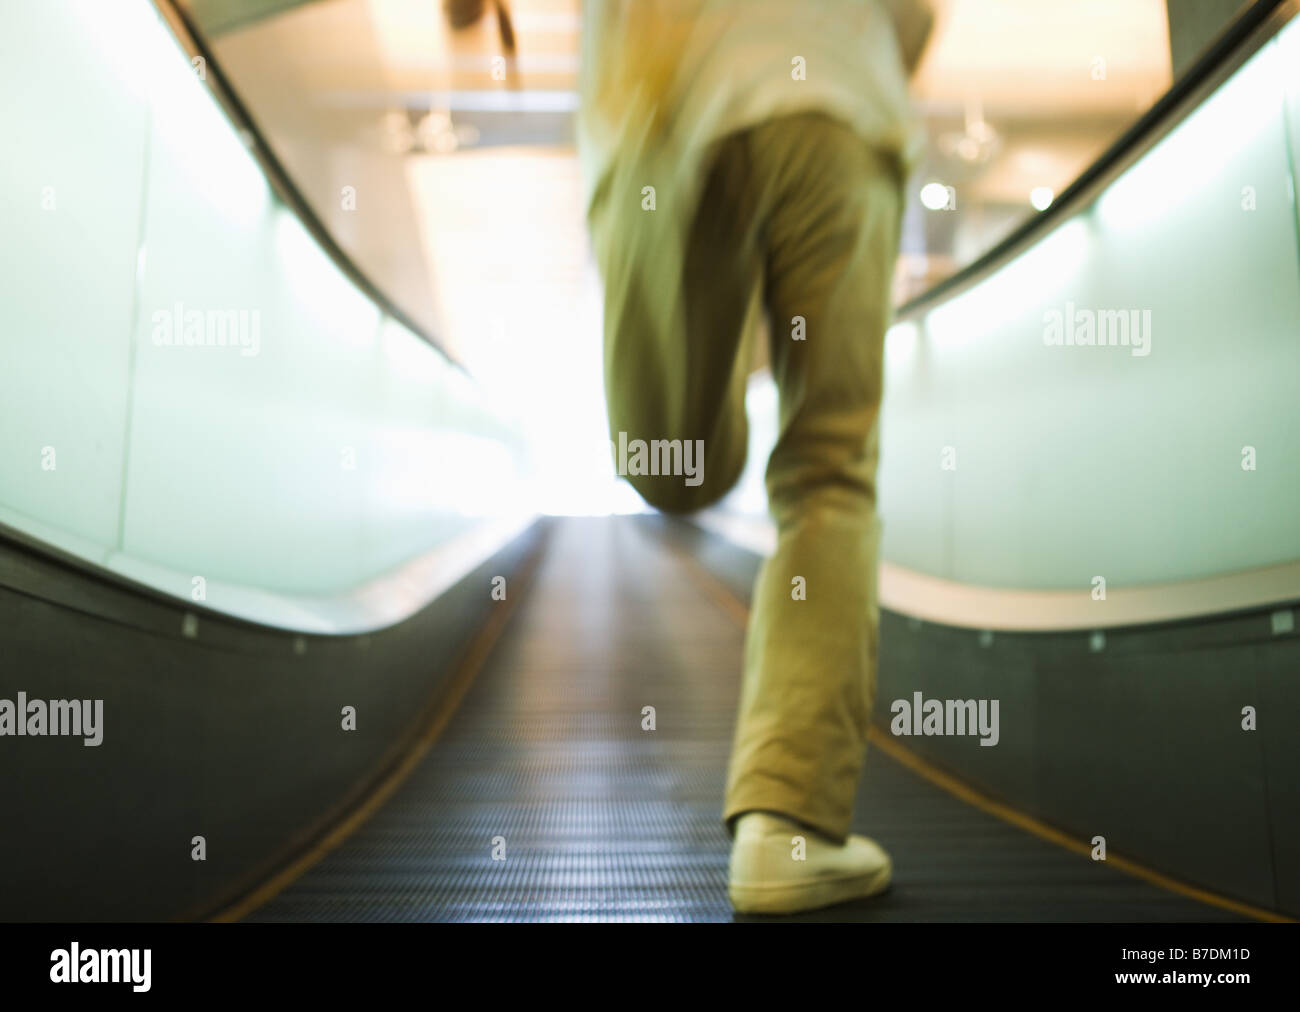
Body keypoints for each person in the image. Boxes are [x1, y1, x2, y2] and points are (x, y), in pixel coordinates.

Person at [577, 0, 934, 914]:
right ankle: (791, 827)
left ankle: (786, 826)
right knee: (828, 473)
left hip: (675, 115)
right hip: (836, 116)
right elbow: (917, 18)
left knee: (675, 461)